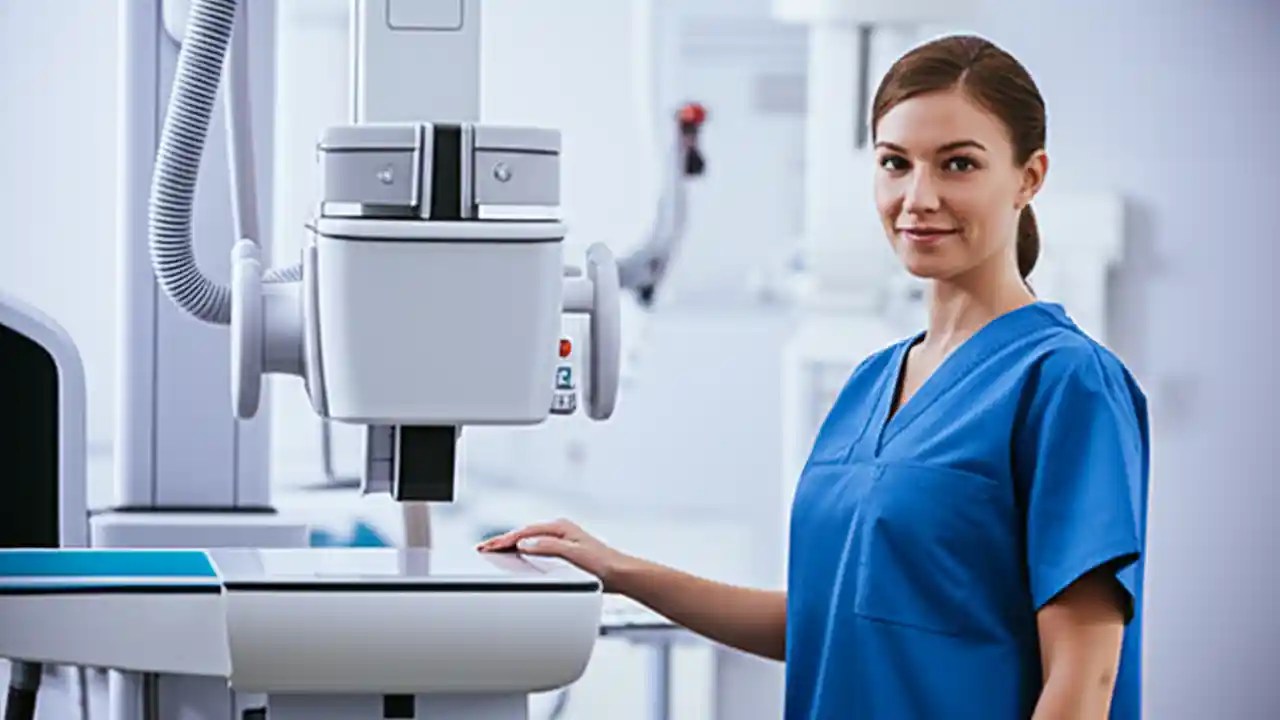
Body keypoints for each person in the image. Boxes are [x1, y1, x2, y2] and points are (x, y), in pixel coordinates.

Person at [479, 34, 1148, 720]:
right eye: (896, 163)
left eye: (958, 165)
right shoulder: (872, 383)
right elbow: (823, 629)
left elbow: (1083, 680)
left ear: (1029, 177)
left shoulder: (1066, 382)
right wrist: (618, 568)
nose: (919, 197)